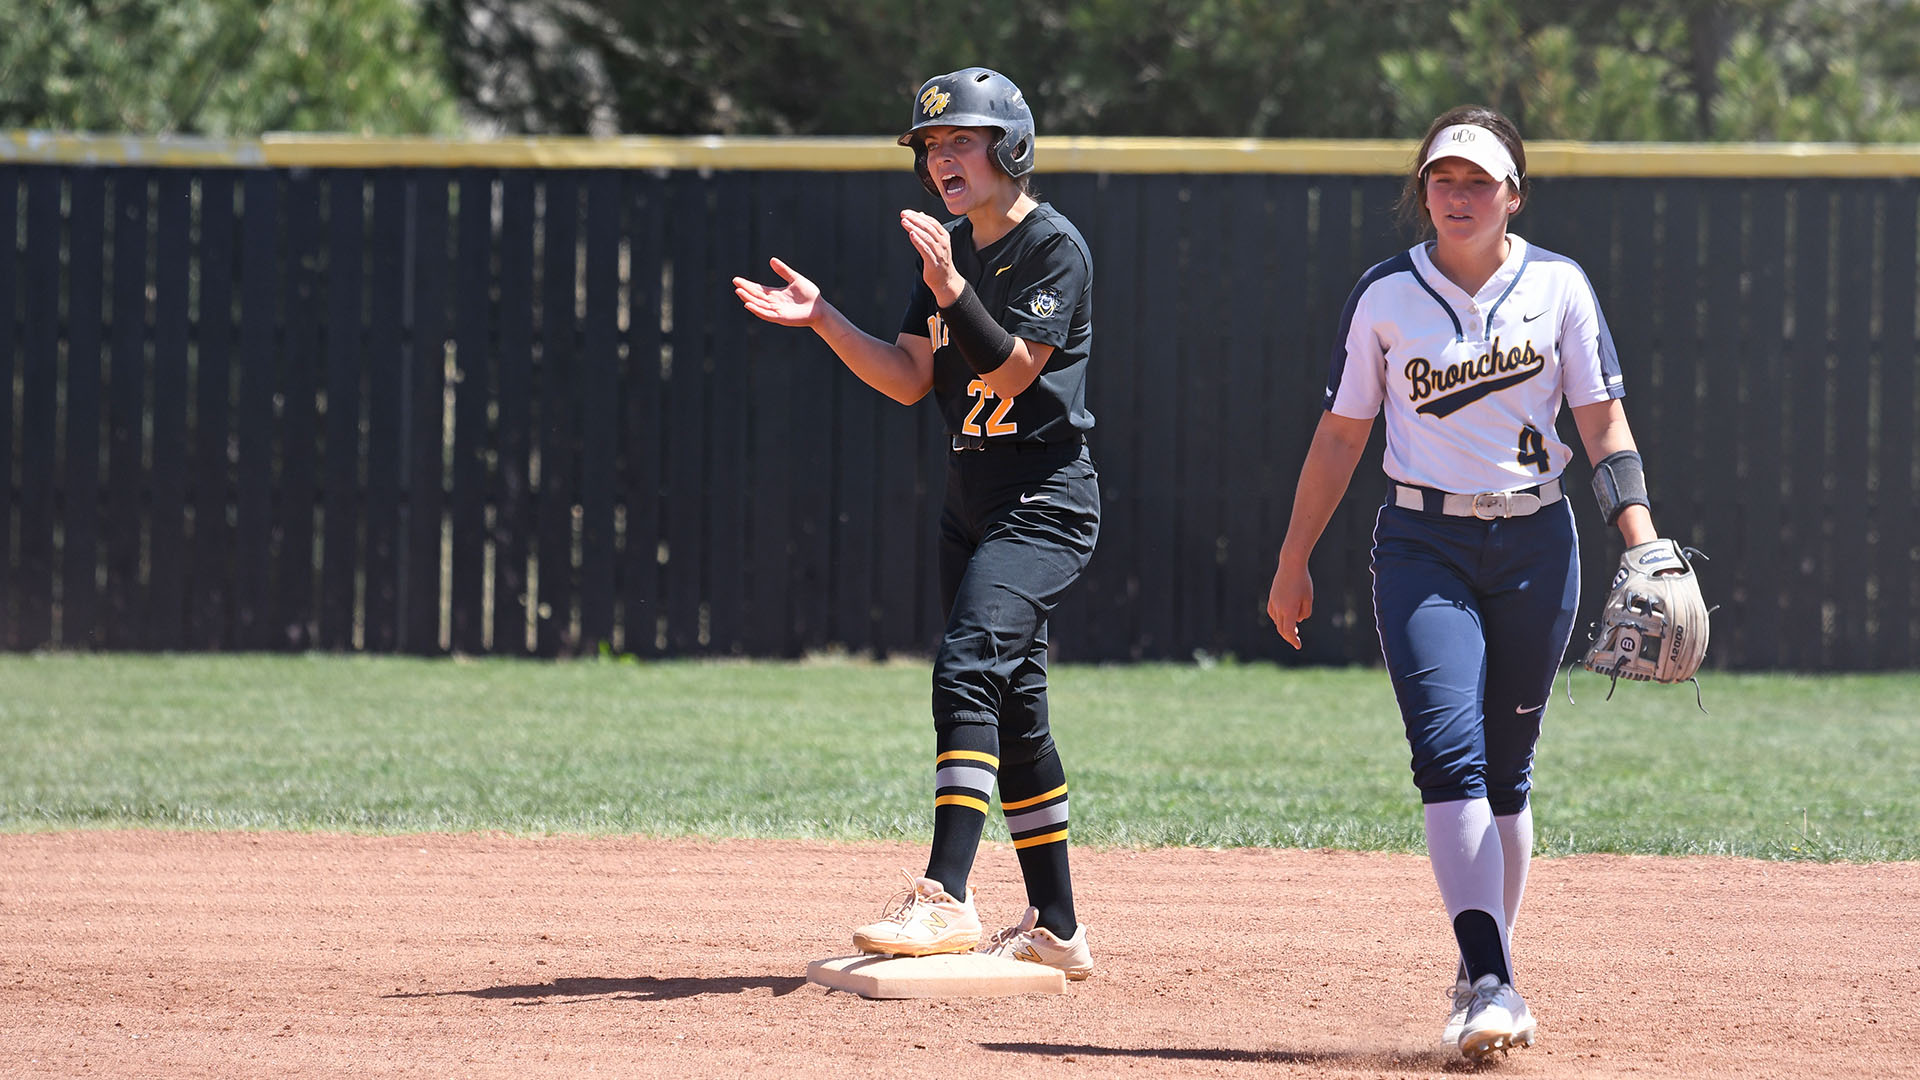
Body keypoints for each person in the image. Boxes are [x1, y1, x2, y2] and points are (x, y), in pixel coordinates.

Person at [1265, 105, 1664, 1060]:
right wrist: (1292, 562)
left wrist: (1643, 542)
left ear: (1512, 196)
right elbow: (1338, 437)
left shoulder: (1558, 287)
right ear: (1424, 191)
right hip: (1422, 544)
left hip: (1537, 544)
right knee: (1450, 757)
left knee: (1510, 770)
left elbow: (1602, 426)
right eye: (1442, 179)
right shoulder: (1386, 296)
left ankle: (1487, 969)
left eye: (1478, 181)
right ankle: (1489, 978)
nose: (1456, 196)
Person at [731, 67, 1100, 980]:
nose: (942, 157)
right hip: (970, 504)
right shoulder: (947, 255)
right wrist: (824, 319)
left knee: (968, 664)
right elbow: (906, 378)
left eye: (961, 140)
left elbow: (1014, 373)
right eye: (931, 145)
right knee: (1014, 704)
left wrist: (949, 285)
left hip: (1045, 500)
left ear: (1011, 148)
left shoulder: (1053, 246)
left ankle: (946, 895)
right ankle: (1057, 923)